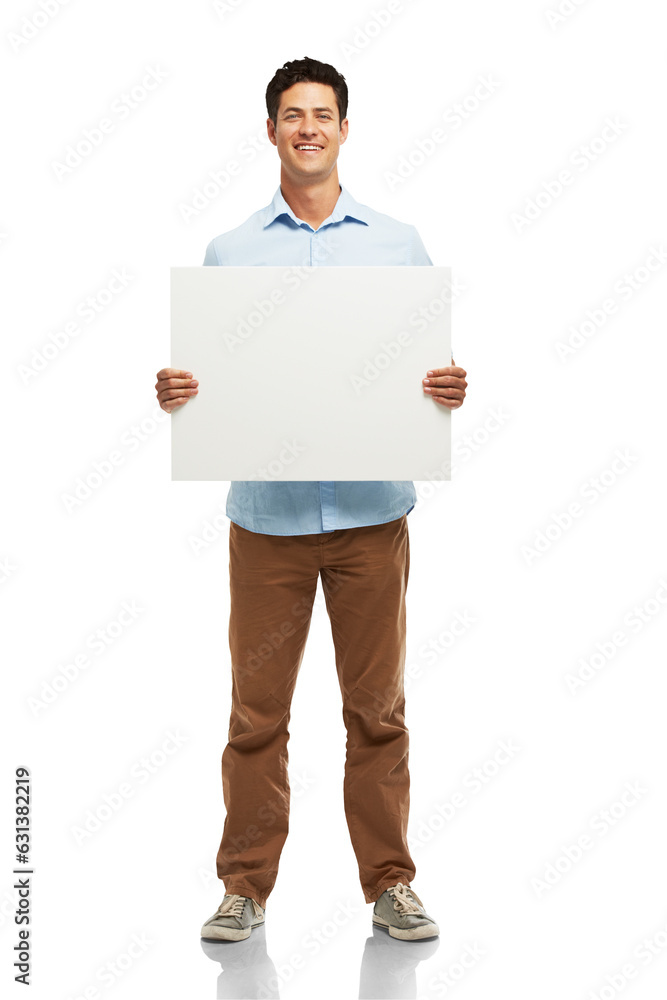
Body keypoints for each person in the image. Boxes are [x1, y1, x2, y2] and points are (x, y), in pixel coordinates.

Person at [156, 56, 468, 943]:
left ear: (342, 129)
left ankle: (388, 884)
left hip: (372, 517)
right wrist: (182, 392)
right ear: (270, 132)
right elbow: (209, 378)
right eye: (291, 114)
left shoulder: (397, 242)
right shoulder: (230, 252)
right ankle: (244, 885)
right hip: (268, 523)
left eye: (321, 114)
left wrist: (442, 388)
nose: (307, 128)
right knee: (256, 714)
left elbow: (421, 369)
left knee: (377, 711)